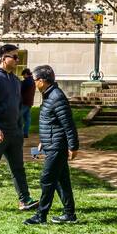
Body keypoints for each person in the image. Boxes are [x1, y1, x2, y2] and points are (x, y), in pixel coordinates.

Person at [0, 44, 37, 215]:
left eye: (18, 57)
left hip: (14, 132)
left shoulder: (16, 81)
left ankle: (24, 199)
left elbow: (18, 106)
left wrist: (19, 127)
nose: (18, 60)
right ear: (4, 58)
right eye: (14, 57)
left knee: (18, 167)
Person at [25, 65, 79, 225]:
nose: (33, 83)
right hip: (52, 144)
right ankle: (70, 214)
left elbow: (68, 124)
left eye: (34, 80)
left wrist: (73, 146)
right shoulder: (49, 95)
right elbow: (52, 123)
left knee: (47, 179)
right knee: (61, 180)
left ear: (42, 81)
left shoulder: (56, 97)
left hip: (58, 146)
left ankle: (40, 215)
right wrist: (43, 141)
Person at [19, 67, 36, 142]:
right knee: (27, 119)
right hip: (29, 102)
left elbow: (20, 88)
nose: (23, 77)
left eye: (23, 75)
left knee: (18, 117)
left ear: (26, 74)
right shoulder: (32, 81)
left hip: (24, 102)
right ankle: (25, 133)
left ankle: (19, 132)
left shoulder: (27, 81)